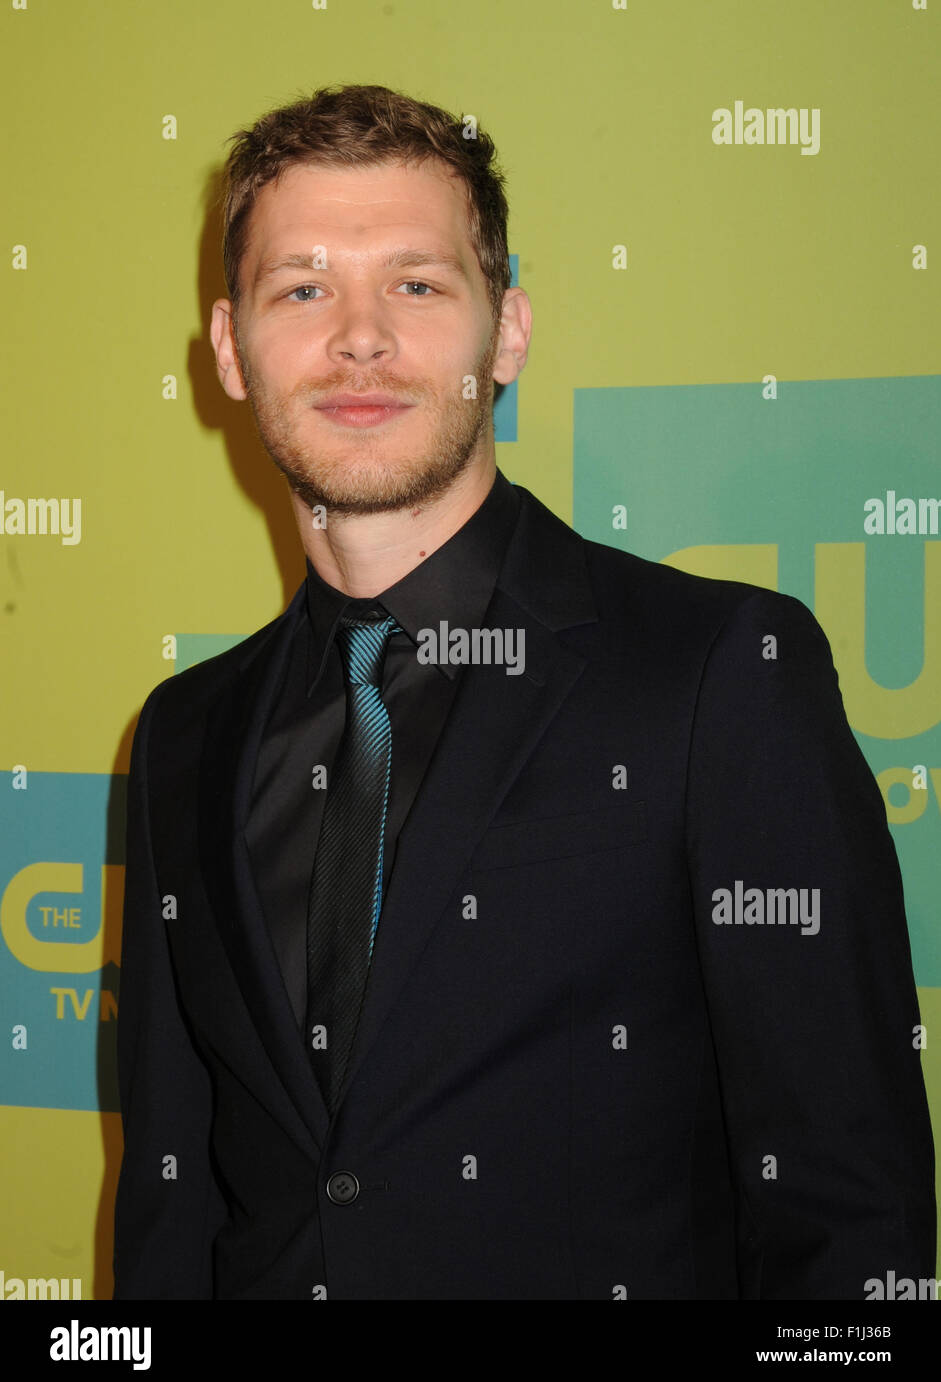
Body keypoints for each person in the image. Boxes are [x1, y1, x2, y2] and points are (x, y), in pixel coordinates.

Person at [112, 83, 935, 1300]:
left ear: (505, 334)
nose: (357, 338)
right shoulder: (184, 733)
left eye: (416, 283)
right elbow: (171, 1205)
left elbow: (845, 1208)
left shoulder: (718, 673)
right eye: (301, 287)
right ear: (230, 350)